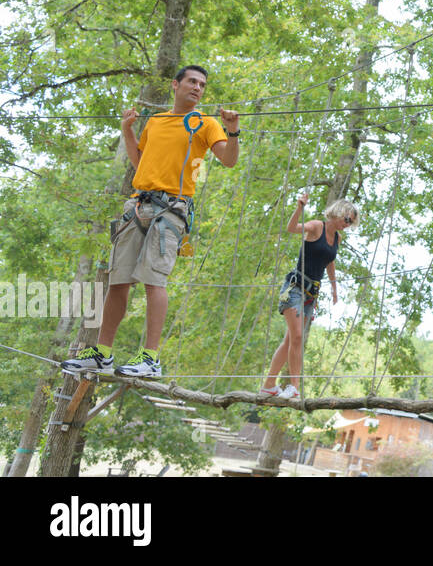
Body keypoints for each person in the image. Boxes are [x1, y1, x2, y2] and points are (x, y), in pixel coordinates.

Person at [62, 65, 240, 378]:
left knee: (154, 280)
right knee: (118, 281)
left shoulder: (206, 123)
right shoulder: (156, 122)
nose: (197, 88)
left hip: (171, 210)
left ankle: (150, 358)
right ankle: (102, 353)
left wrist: (233, 130)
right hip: (138, 205)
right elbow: (140, 163)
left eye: (202, 84)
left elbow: (228, 159)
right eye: (192, 82)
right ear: (176, 85)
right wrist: (128, 131)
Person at [260, 192, 358, 400]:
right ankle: (294, 386)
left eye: (350, 223)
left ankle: (269, 384)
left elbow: (329, 260)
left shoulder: (337, 238)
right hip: (295, 287)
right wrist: (299, 208)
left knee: (290, 341)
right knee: (296, 337)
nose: (347, 224)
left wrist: (334, 286)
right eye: (347, 219)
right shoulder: (316, 226)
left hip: (311, 292)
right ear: (338, 213)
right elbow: (291, 228)